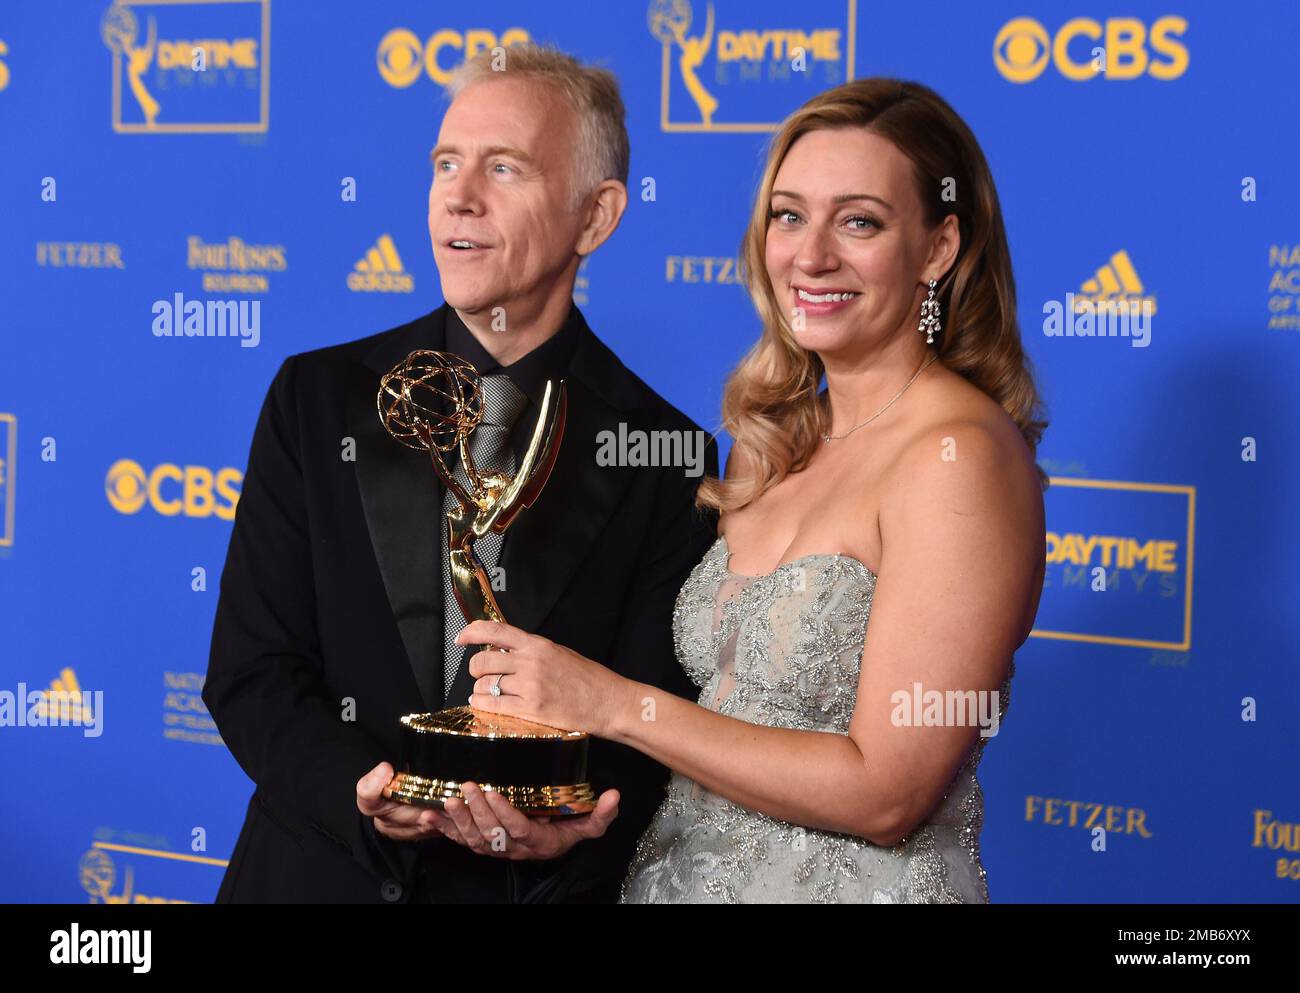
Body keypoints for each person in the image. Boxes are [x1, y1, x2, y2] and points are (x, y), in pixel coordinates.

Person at [429, 77, 1049, 903]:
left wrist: (612, 702)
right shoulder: (775, 446)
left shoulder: (960, 456)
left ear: (938, 248)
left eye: (859, 220)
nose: (811, 254)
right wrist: (558, 803)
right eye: (789, 215)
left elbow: (890, 793)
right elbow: (717, 735)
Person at [202, 43, 718, 904]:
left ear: (597, 217)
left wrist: (565, 833)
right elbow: (251, 670)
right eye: (446, 162)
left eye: (503, 166)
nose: (458, 196)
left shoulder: (669, 455)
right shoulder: (316, 398)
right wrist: (364, 790)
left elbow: (650, 730)